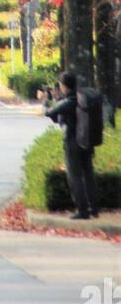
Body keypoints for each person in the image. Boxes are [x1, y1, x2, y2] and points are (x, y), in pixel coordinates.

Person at [41, 71, 100, 220]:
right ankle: (94, 208)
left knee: (75, 177)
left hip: (72, 142)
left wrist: (45, 101)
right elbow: (57, 117)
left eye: (60, 85)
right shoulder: (80, 99)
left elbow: (49, 113)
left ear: (63, 85)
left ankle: (82, 210)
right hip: (86, 141)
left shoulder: (69, 101)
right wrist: (57, 99)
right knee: (88, 174)